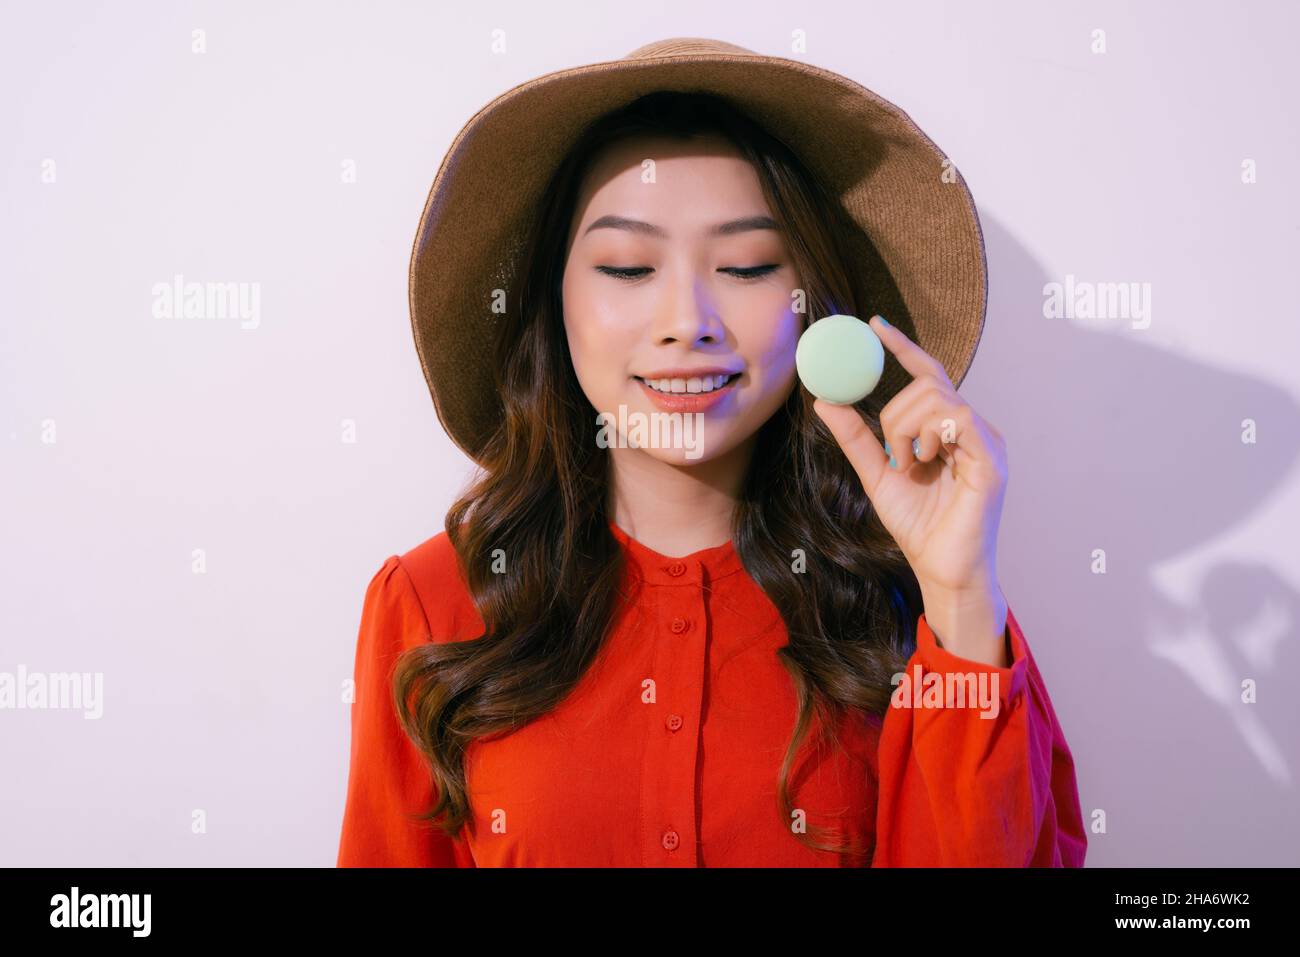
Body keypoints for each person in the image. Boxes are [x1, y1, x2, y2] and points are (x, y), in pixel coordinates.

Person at [337, 38, 1087, 867]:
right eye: (626, 267)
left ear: (813, 311)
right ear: (554, 303)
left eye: (746, 264)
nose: (686, 319)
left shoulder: (931, 606)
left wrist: (957, 595)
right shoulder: (433, 602)